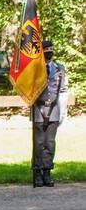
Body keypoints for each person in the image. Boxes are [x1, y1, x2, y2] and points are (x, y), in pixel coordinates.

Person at [32, 39, 67, 188]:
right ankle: (37, 173)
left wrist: (63, 112)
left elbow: (63, 91)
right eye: (46, 50)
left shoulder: (59, 68)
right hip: (38, 109)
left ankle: (47, 171)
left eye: (51, 49)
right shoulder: (34, 69)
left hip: (54, 109)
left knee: (50, 143)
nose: (49, 52)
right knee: (39, 143)